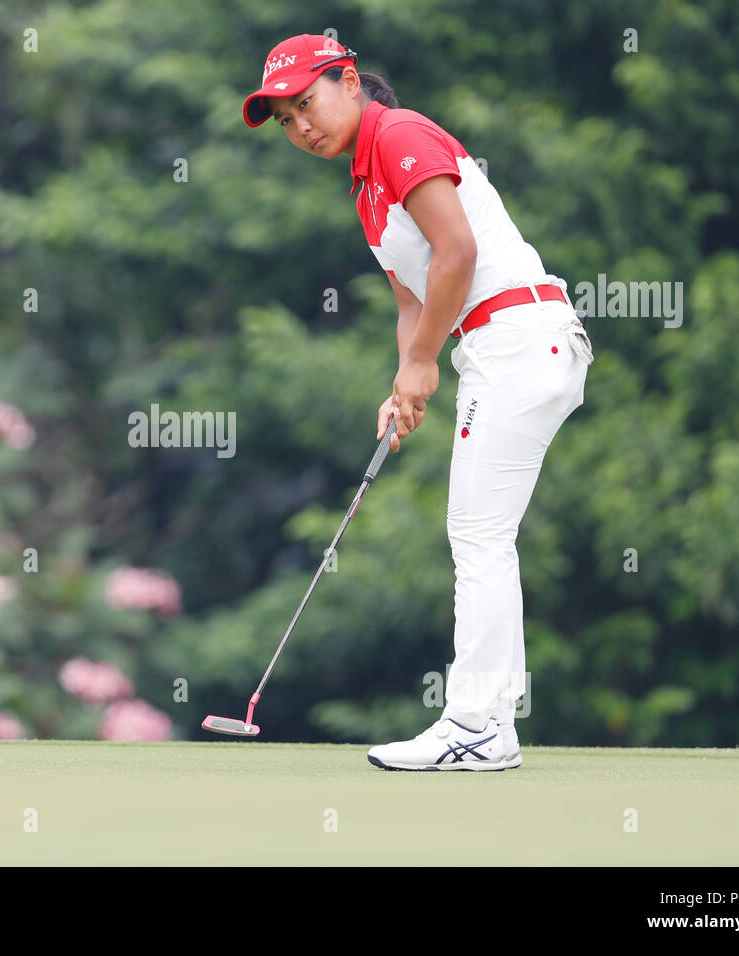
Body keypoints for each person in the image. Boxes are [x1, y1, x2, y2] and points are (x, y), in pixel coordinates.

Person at [243, 34, 593, 770]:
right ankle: (486, 725)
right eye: (285, 119)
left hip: (522, 338)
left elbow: (458, 252)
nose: (301, 126)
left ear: (348, 82)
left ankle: (478, 726)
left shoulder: (397, 134)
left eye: (306, 103)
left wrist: (427, 361)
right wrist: (406, 380)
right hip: (500, 349)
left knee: (478, 535)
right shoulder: (367, 191)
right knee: (479, 533)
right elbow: (413, 299)